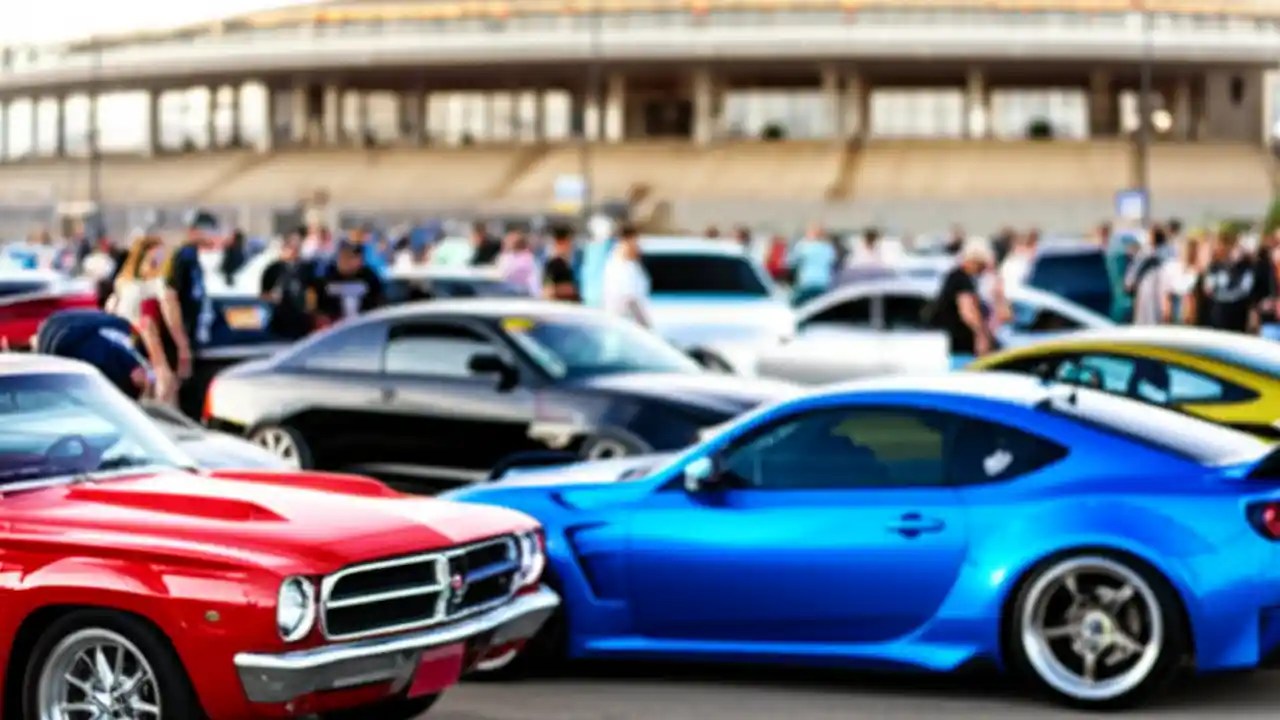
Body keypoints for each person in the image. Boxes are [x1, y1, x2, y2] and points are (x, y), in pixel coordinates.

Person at [159, 210, 219, 411]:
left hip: (192, 337)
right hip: (180, 339)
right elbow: (170, 298)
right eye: (209, 231)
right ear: (194, 231)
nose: (212, 236)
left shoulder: (194, 257)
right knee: (181, 398)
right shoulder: (182, 257)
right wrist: (181, 343)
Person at [107, 234, 174, 402]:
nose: (158, 264)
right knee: (161, 379)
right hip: (141, 337)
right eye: (154, 260)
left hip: (126, 341)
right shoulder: (144, 285)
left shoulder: (123, 283)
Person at [35, 310, 152, 401]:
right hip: (67, 343)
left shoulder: (118, 327)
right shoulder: (125, 339)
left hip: (53, 337)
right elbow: (138, 375)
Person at [935, 239, 994, 369]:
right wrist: (981, 335)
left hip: (954, 342)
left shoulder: (954, 276)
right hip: (962, 344)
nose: (982, 271)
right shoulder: (962, 280)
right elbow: (967, 312)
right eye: (981, 265)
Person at [313, 240, 384, 327]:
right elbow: (319, 307)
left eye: (354, 257)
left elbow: (378, 302)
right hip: (334, 326)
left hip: (363, 324)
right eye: (345, 257)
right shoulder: (327, 277)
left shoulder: (368, 276)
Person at [260, 230, 315, 340]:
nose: (294, 250)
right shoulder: (273, 269)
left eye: (297, 246)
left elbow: (313, 291)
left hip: (302, 318)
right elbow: (264, 294)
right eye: (291, 246)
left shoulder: (307, 268)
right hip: (280, 317)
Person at [1202, 228, 1257, 333]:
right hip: (1218, 309)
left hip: (1237, 310)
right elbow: (1209, 286)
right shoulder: (1216, 266)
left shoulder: (1246, 268)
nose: (1233, 253)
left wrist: (1228, 297)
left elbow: (1245, 289)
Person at [602, 225, 652, 327]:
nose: (638, 247)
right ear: (626, 242)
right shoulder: (619, 268)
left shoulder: (631, 265)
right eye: (635, 242)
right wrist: (646, 326)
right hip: (625, 325)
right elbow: (631, 300)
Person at [1124, 226, 1173, 325]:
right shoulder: (1169, 252)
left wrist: (1130, 284)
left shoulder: (1147, 253)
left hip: (1149, 290)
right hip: (1160, 291)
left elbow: (1132, 277)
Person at [786, 222, 836, 306]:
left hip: (807, 283)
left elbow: (791, 262)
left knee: (797, 306)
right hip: (824, 284)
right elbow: (833, 263)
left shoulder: (804, 246)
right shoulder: (828, 248)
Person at [542, 226, 580, 301]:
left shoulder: (571, 263)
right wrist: (574, 289)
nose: (571, 245)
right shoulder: (553, 264)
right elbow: (547, 291)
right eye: (568, 241)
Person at [496, 230, 539, 295]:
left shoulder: (529, 258)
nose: (508, 243)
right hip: (504, 292)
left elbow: (534, 280)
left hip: (523, 293)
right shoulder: (505, 257)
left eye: (511, 241)